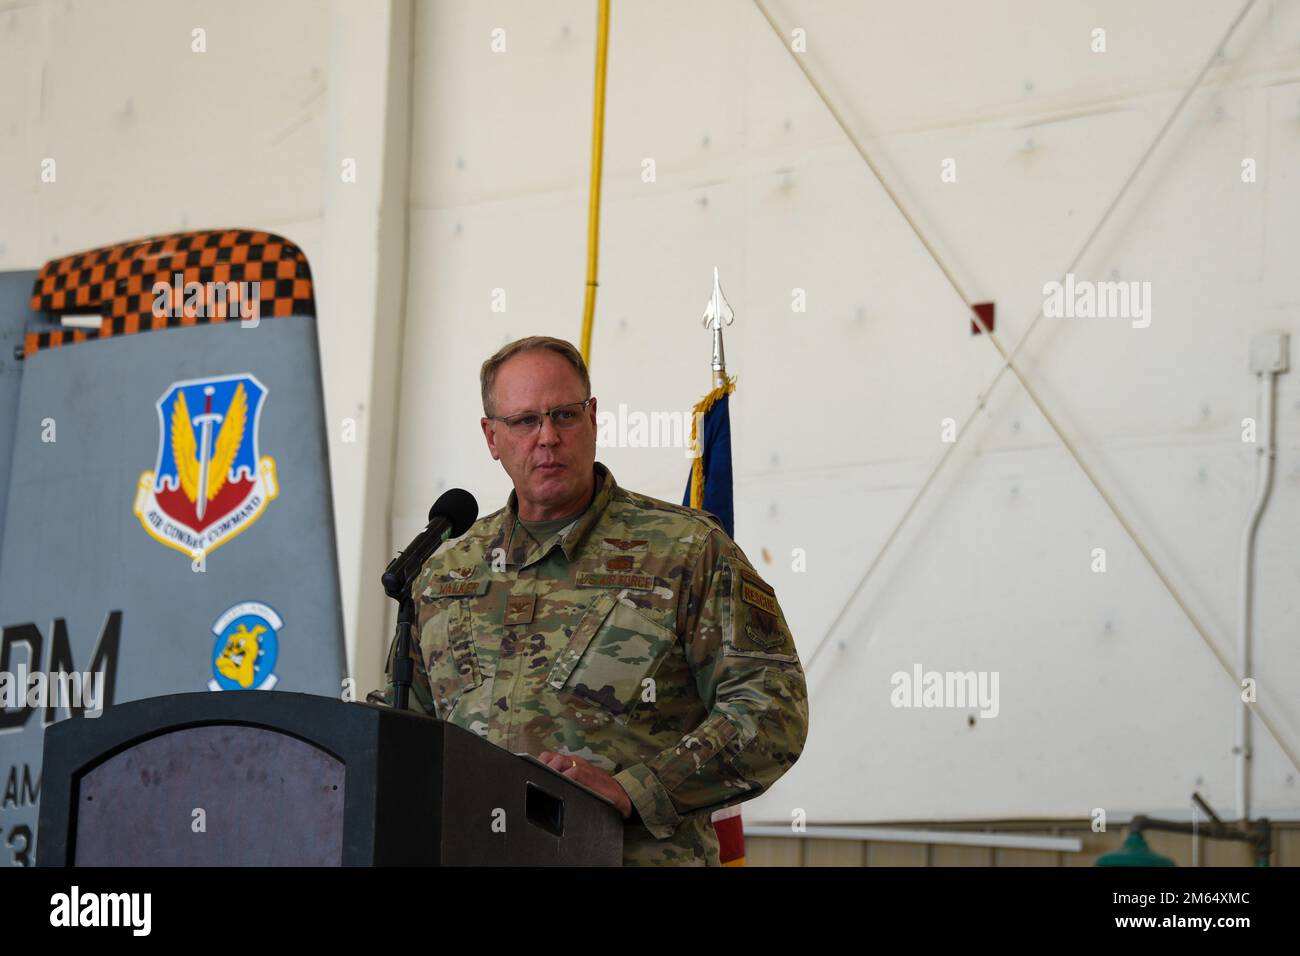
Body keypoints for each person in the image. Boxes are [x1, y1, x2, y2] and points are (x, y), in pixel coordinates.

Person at [382, 335, 809, 865]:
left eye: (564, 415)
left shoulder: (686, 549)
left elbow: (771, 710)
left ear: (593, 419)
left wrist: (639, 788)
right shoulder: (445, 569)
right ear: (492, 437)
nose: (548, 438)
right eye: (524, 421)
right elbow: (410, 731)